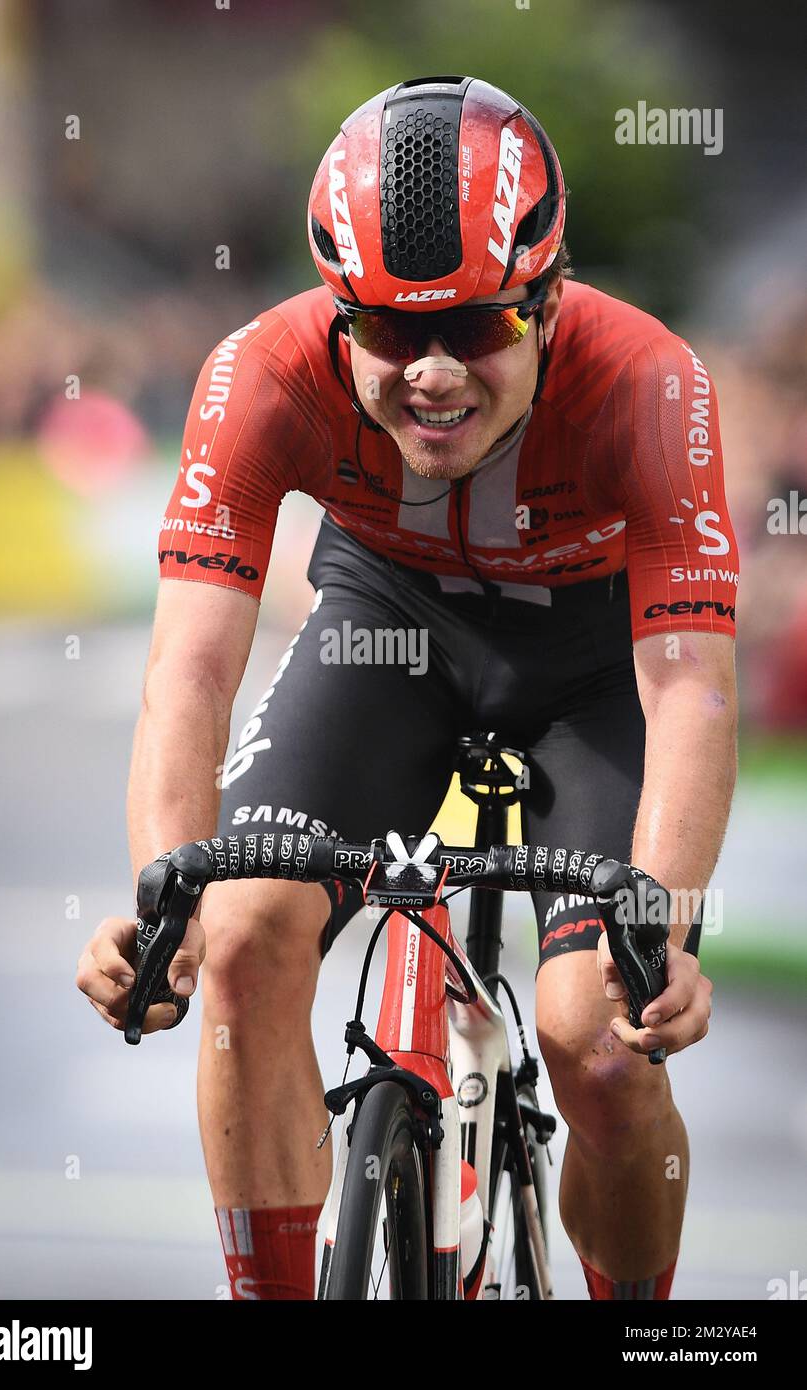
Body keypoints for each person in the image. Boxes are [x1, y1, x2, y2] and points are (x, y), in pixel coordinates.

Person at [77, 76, 737, 1301]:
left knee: (597, 1044)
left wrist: (666, 929)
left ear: (546, 297)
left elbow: (689, 683)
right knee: (241, 941)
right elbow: (191, 663)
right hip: (390, 626)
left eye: (475, 329)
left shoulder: (646, 380)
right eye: (385, 332)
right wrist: (162, 885)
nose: (429, 376)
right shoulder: (261, 372)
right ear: (336, 315)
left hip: (592, 671)